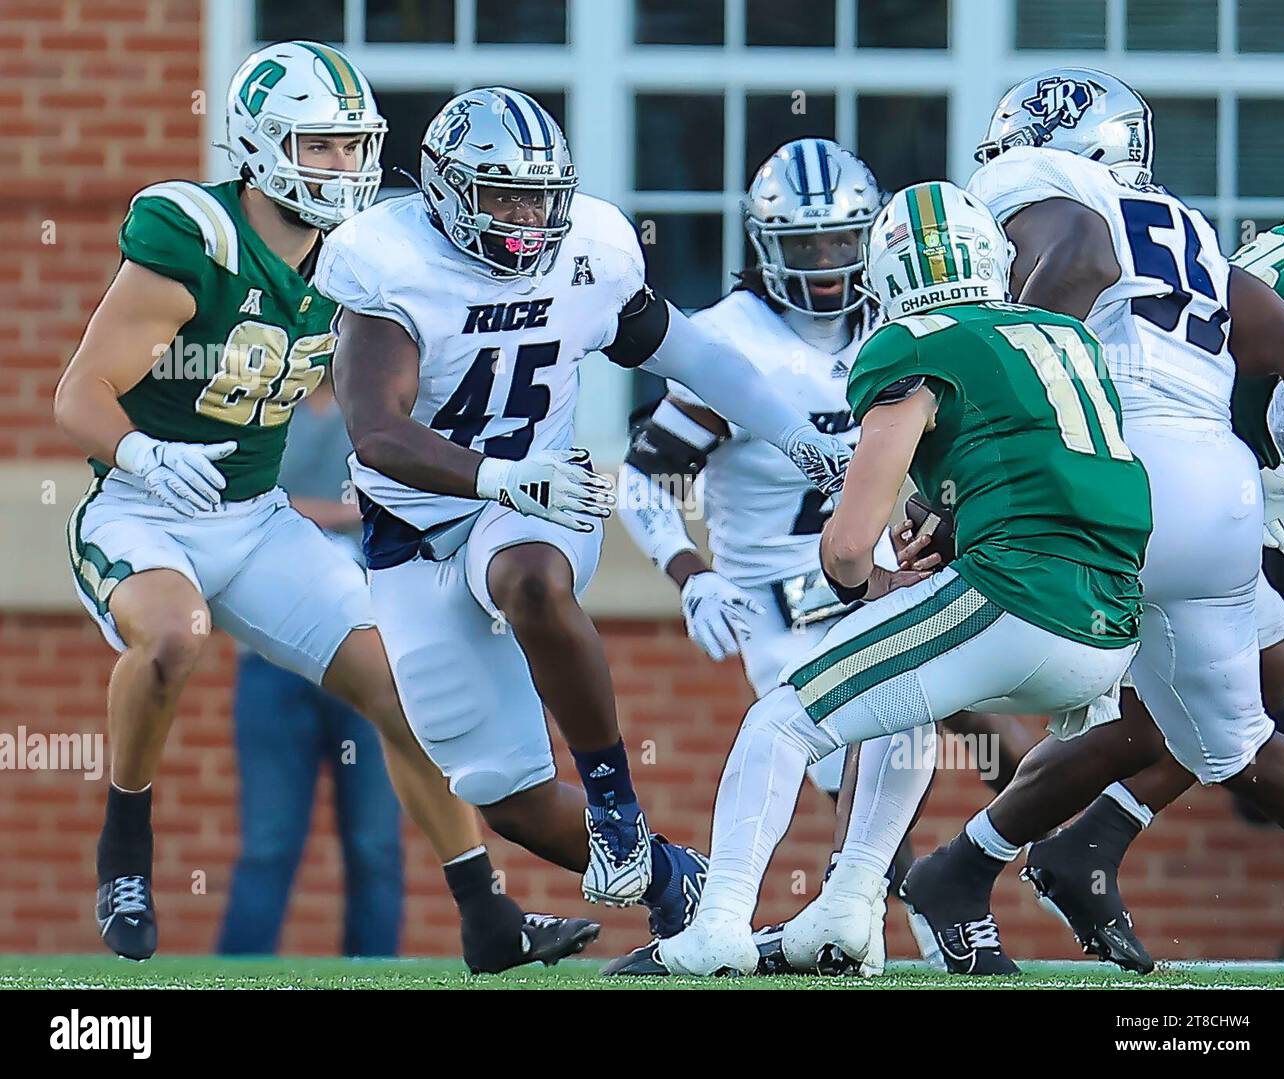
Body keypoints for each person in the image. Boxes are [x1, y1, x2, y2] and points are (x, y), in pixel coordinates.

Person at [54, 42, 594, 973]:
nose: (344, 168)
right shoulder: (199, 237)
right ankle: (126, 854)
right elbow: (77, 392)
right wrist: (143, 448)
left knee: (404, 688)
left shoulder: (366, 255)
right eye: (321, 146)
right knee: (175, 635)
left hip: (259, 521)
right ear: (262, 146)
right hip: (143, 508)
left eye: (354, 148)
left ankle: (486, 913)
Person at [315, 88, 854, 936]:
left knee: (528, 575)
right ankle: (677, 881)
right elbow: (377, 432)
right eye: (504, 196)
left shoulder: (591, 248)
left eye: (542, 195)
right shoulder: (390, 261)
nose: (529, 216)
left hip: (548, 495)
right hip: (415, 529)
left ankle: (614, 805)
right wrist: (500, 477)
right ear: (446, 192)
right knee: (506, 796)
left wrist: (793, 433)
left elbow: (689, 352)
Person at [653, 181, 1152, 977]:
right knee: (901, 704)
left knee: (781, 719)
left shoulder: (910, 342)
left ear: (883, 276)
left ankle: (718, 925)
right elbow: (1054, 467)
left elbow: (851, 544)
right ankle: (849, 908)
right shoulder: (1064, 334)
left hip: (1017, 595)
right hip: (1110, 618)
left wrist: (862, 582)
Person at [901, 68, 1284, 975]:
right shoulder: (1191, 229)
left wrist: (984, 435)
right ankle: (978, 867)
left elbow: (1079, 258)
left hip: (1110, 481)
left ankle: (822, 897)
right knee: (1238, 741)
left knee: (905, 647)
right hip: (1217, 508)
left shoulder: (1045, 193)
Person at [613, 138, 944, 970]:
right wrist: (693, 575)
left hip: (890, 583)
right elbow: (644, 481)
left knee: (997, 732)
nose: (828, 264)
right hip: (780, 606)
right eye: (807, 245)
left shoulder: (899, 326)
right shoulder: (733, 343)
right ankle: (890, 927)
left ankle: (936, 901)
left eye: (842, 242)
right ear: (766, 247)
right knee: (855, 774)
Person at [218, 382, 404, 957]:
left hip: (371, 663)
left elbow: (409, 507)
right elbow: (231, 509)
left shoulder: (383, 407)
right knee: (266, 845)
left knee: (375, 845)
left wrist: (292, 511)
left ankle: (371, 974)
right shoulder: (259, 411)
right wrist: (347, 514)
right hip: (272, 668)